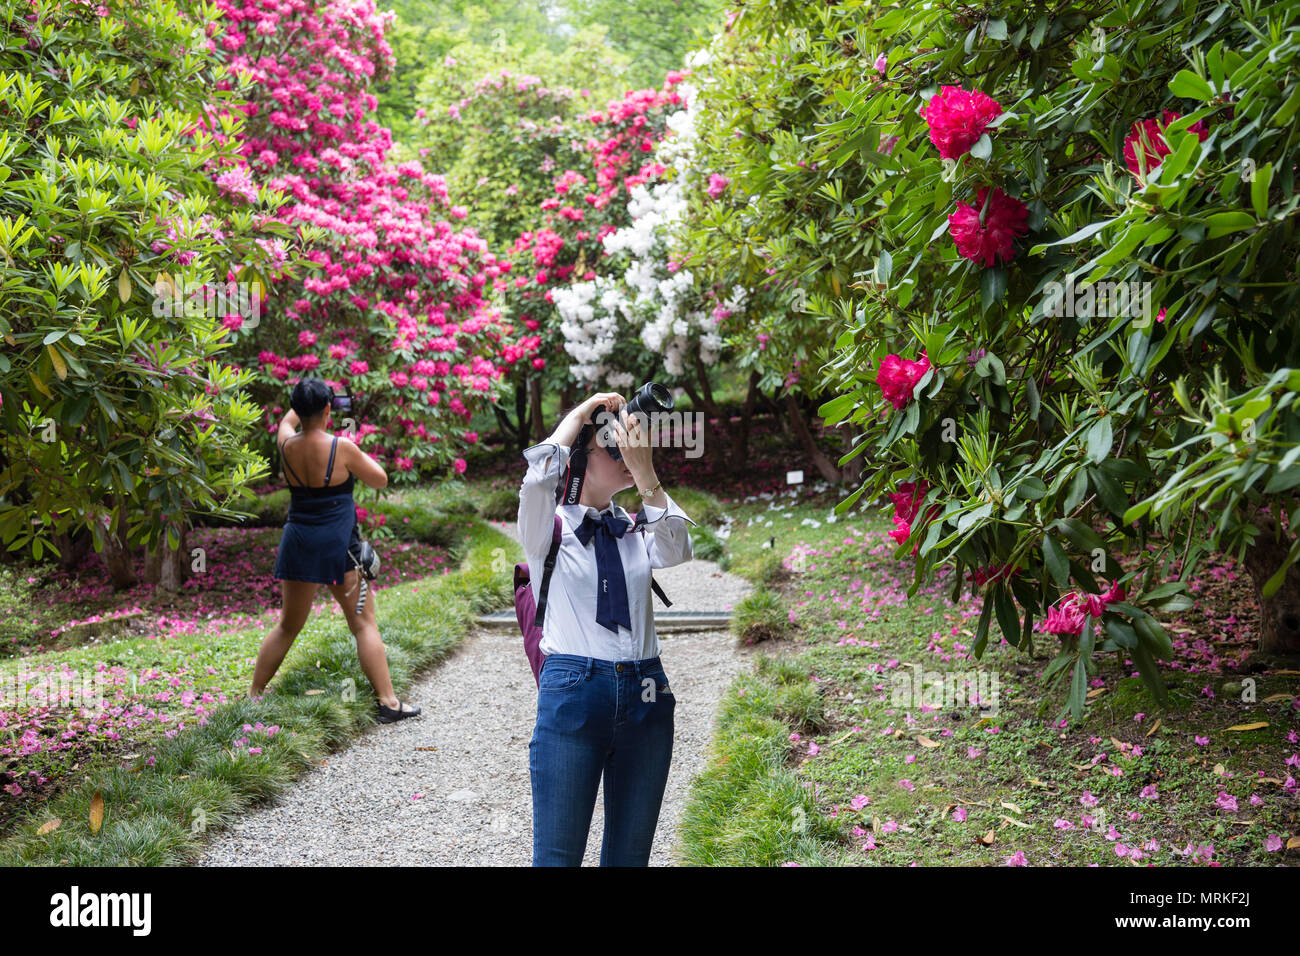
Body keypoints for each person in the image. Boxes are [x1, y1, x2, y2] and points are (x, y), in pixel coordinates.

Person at [518, 390, 696, 866]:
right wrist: (579, 415)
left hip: (646, 692)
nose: (624, 451)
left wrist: (646, 474)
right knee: (557, 857)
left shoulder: (638, 529)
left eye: (628, 443)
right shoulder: (546, 529)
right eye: (611, 445)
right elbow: (538, 478)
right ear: (580, 456)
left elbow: (678, 547)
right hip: (575, 692)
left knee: (629, 858)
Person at [250, 377, 421, 724]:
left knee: (287, 625)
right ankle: (388, 702)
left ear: (299, 409)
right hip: (339, 547)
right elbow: (381, 479)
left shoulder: (286, 445)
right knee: (362, 624)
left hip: (298, 542)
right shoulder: (342, 448)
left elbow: (286, 422)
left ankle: (252, 695)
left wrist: (301, 407)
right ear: (329, 409)